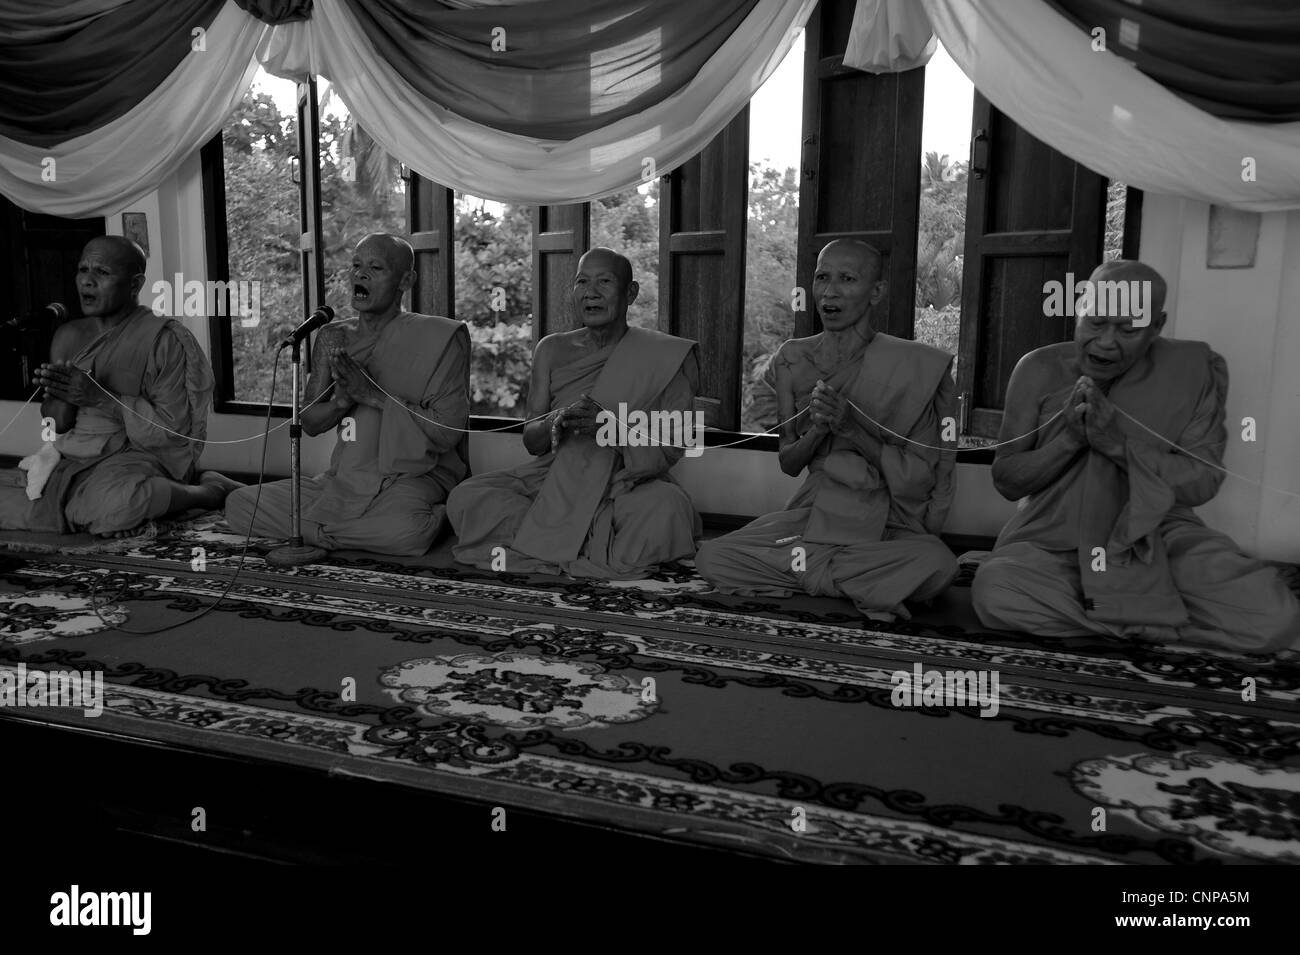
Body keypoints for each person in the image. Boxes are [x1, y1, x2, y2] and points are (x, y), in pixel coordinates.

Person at [972, 260, 1300, 651]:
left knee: (1273, 616)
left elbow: (1201, 482)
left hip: (1155, 537)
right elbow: (1007, 480)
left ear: (1157, 326)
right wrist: (1071, 441)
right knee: (995, 591)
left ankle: (1117, 616)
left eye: (1128, 329)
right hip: (1053, 540)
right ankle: (1155, 621)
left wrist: (1117, 445)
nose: (1107, 342)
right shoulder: (1039, 369)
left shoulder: (1191, 372)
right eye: (1096, 323)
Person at [694, 239, 958, 621]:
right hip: (815, 514)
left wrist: (851, 427)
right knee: (713, 557)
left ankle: (816, 574)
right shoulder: (792, 358)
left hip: (885, 520)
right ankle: (859, 582)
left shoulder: (912, 366)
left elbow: (916, 480)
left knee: (939, 565)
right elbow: (788, 461)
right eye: (822, 278)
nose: (830, 292)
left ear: (876, 292)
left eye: (847, 279)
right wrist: (819, 430)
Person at [447, 247, 700, 578]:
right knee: (467, 497)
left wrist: (610, 429)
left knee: (667, 507)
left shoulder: (664, 356)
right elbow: (532, 441)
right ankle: (592, 541)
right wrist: (556, 420)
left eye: (604, 282)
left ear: (631, 293)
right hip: (553, 479)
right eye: (582, 282)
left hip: (624, 484)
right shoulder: (551, 349)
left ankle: (555, 541)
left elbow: (672, 448)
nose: (590, 292)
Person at [224, 233, 469, 556]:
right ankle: (340, 532)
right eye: (356, 266)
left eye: (375, 268)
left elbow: (447, 432)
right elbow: (309, 423)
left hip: (412, 476)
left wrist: (371, 395)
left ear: (406, 280)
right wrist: (342, 401)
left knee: (405, 531)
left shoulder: (440, 338)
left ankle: (317, 530)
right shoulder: (332, 337)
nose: (360, 275)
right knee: (240, 504)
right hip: (346, 478)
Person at [0, 235, 229, 537]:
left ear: (135, 285)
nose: (87, 281)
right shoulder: (68, 336)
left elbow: (174, 432)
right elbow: (57, 424)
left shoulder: (164, 340)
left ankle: (208, 492)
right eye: (83, 270)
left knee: (119, 503)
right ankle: (96, 509)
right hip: (71, 458)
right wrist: (60, 394)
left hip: (134, 458)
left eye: (102, 273)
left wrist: (100, 398)